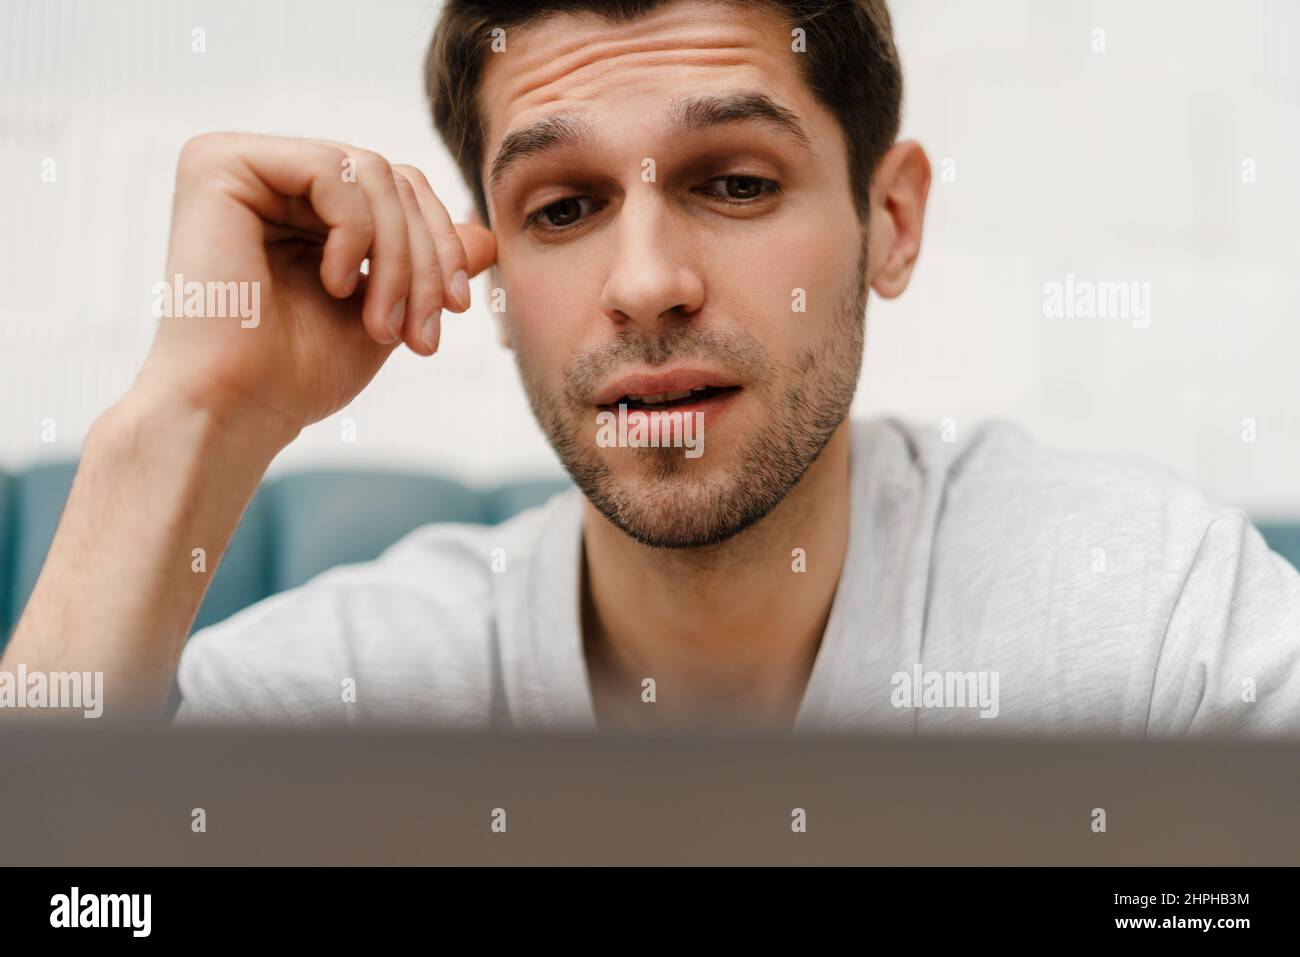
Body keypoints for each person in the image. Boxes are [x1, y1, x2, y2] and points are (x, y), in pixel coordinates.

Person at [4, 0, 1298, 736]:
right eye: (561, 209)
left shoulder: (1148, 623)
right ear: (491, 274)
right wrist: (188, 418)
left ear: (890, 223)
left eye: (734, 181)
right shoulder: (355, 686)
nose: (643, 282)